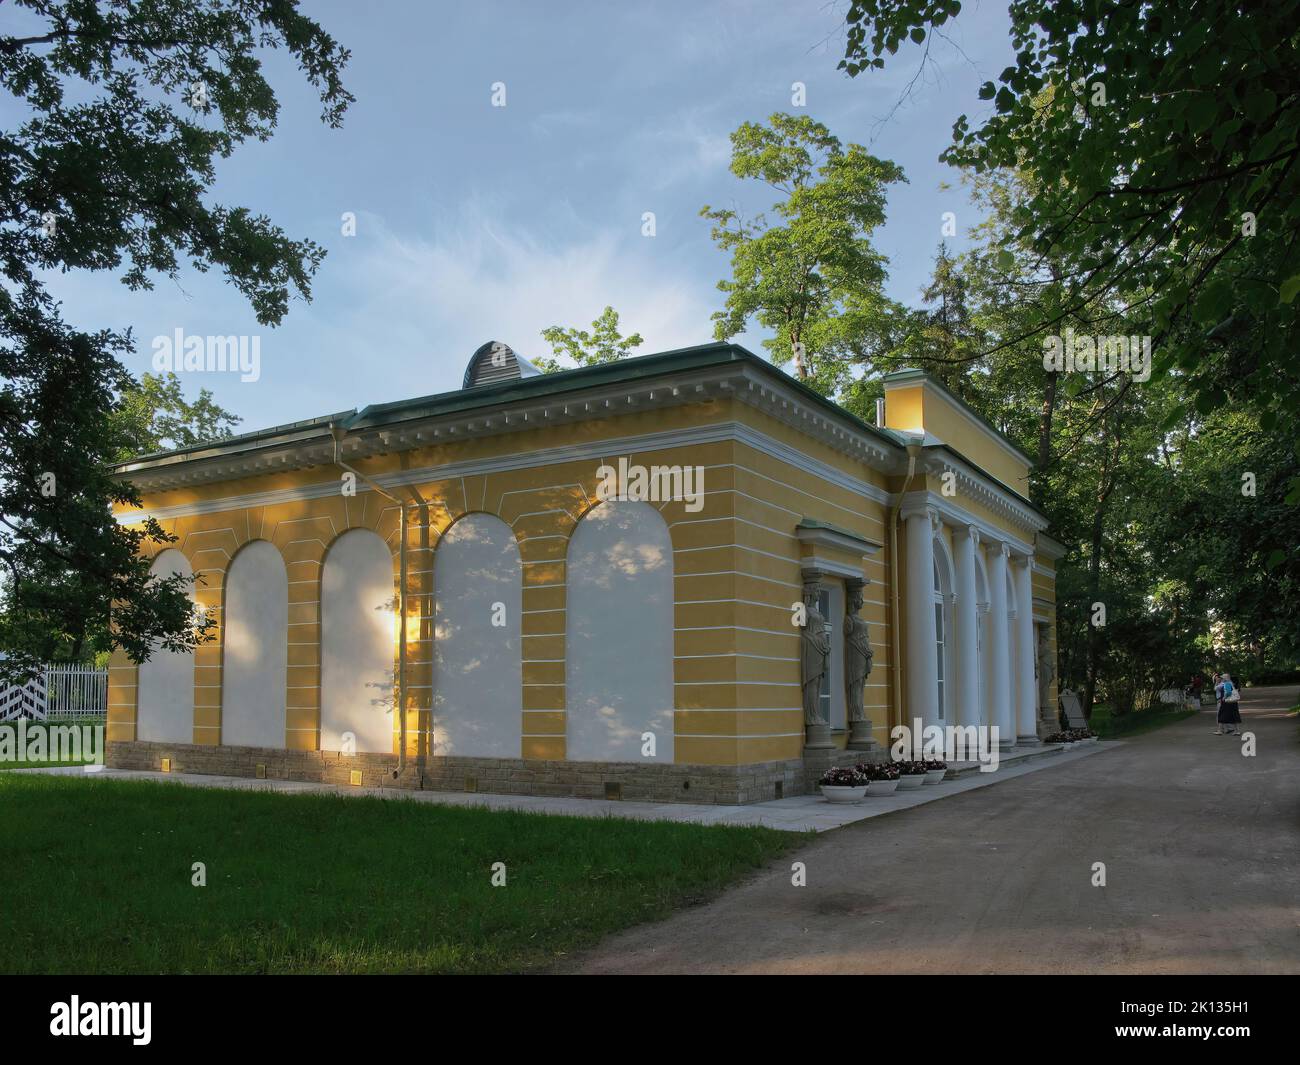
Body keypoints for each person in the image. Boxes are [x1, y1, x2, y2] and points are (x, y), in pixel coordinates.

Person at [1214, 671, 1242, 735]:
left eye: (1222, 678)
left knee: (1221, 715)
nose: (1221, 679)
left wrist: (1223, 698)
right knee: (1233, 716)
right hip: (1233, 703)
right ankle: (1237, 731)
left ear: (1225, 678)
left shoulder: (1227, 683)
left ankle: (1220, 730)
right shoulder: (1231, 683)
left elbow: (1228, 692)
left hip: (1227, 703)